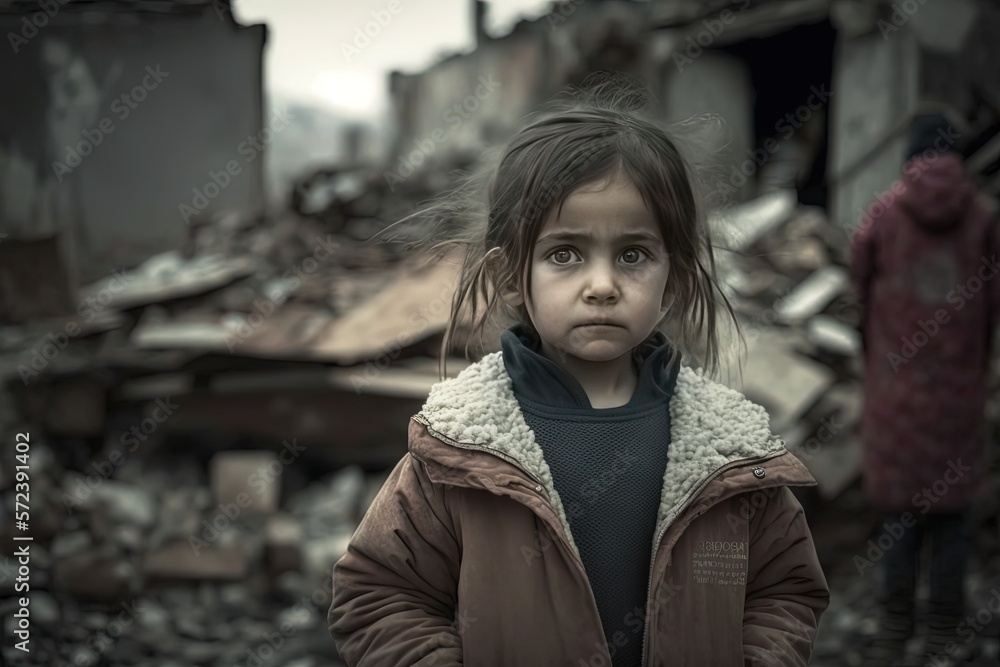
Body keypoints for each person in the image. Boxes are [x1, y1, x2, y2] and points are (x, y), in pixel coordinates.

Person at [328, 77, 830, 666]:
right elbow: (379, 592)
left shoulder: (729, 452)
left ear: (675, 278)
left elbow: (784, 589)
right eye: (564, 254)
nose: (602, 286)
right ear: (513, 276)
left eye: (633, 255)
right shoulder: (458, 448)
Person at [851, 109, 999, 666]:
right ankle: (942, 630)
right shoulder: (984, 219)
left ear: (910, 156)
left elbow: (859, 293)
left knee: (899, 514)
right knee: (952, 516)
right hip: (958, 393)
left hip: (897, 393)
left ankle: (893, 629)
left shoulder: (882, 217)